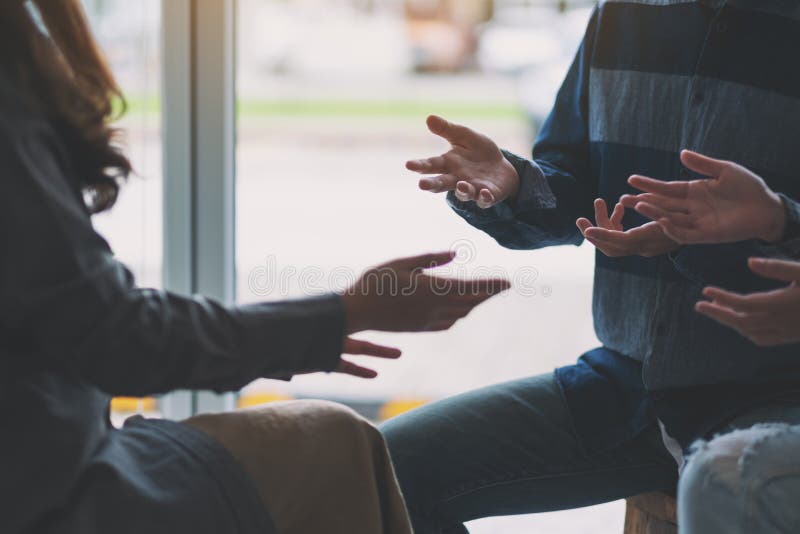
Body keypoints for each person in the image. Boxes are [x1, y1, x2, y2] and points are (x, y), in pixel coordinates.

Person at [0, 2, 511, 534]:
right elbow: (118, 335)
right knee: (336, 440)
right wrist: (341, 315)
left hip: (42, 459)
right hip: (49, 490)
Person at [381, 1, 800, 533]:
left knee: (729, 487)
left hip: (777, 394)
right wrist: (512, 183)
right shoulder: (619, 15)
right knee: (382, 471)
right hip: (623, 390)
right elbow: (577, 189)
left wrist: (780, 221)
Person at [622, 150, 800, 532]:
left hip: (767, 396)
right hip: (624, 378)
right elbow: (564, 187)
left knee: (725, 478)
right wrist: (779, 219)